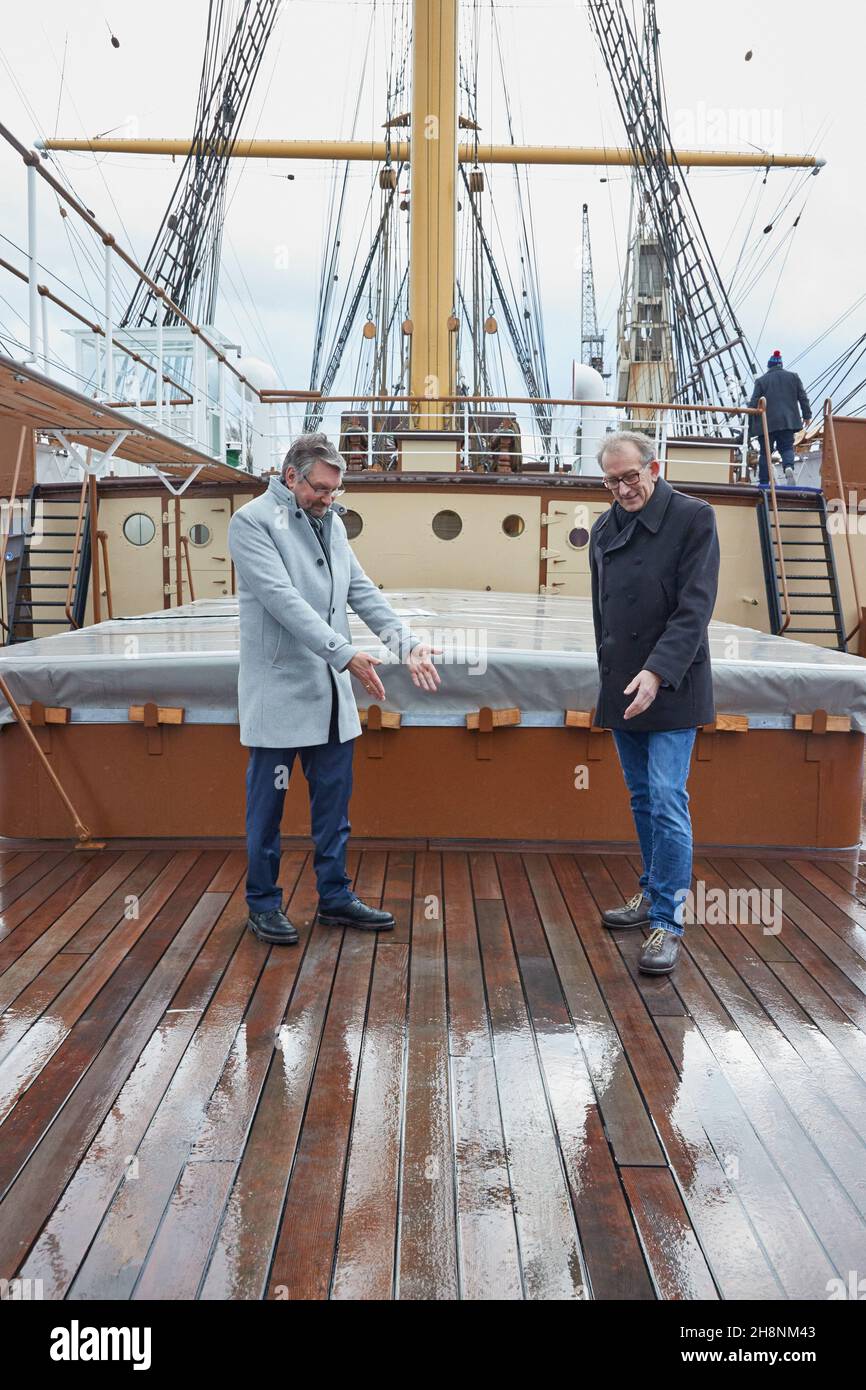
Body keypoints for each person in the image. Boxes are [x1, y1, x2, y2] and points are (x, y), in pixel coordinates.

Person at [228, 433, 440, 946]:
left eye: (334, 492)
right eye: (320, 490)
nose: (328, 500)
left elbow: (359, 589)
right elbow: (281, 600)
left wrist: (405, 642)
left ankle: (335, 897)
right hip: (279, 697)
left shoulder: (332, 522)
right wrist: (344, 653)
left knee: (333, 809)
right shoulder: (252, 523)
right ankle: (263, 904)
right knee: (268, 811)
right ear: (289, 475)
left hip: (328, 702)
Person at [590, 431, 720, 975]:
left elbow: (695, 607)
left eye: (630, 477)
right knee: (642, 797)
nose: (623, 489)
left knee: (668, 797)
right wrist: (615, 676)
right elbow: (603, 614)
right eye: (612, 481)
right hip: (623, 685)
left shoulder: (694, 518)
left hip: (673, 683)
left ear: (655, 467)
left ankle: (667, 921)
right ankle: (649, 892)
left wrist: (657, 671)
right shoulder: (602, 529)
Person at [748, 349, 812, 486]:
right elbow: (803, 397)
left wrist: (749, 427)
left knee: (766, 452)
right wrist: (807, 415)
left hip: (766, 424)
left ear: (769, 366)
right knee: (786, 448)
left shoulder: (761, 381)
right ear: (781, 365)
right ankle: (788, 467)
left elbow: (753, 404)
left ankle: (764, 482)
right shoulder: (793, 377)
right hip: (787, 422)